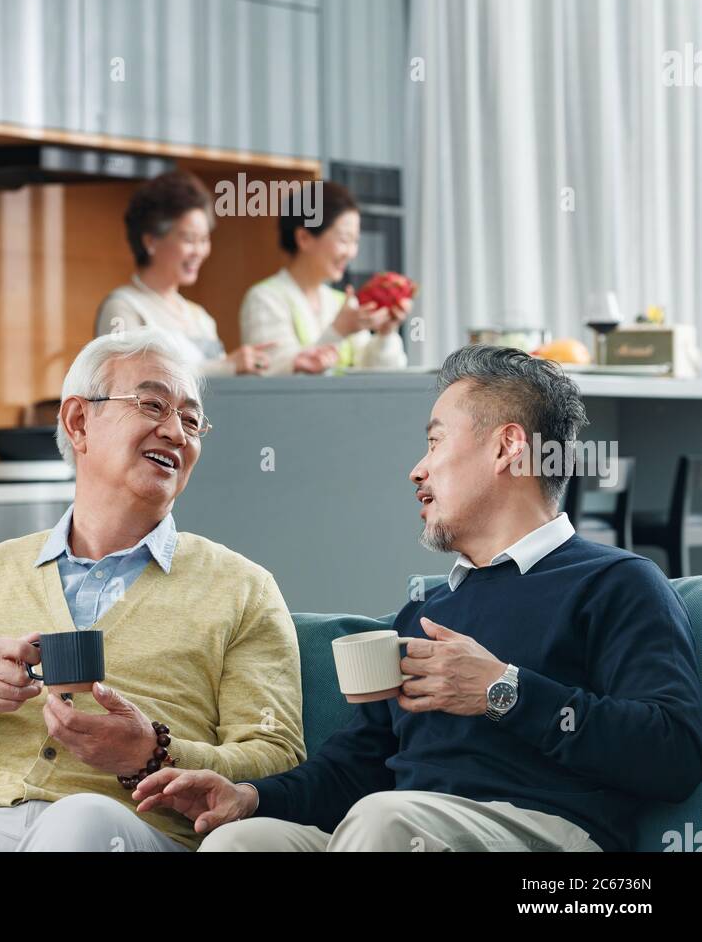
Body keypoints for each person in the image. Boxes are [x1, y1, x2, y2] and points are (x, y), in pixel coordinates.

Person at [129, 346, 702, 853]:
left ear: (507, 447)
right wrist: (250, 795)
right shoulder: (427, 610)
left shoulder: (618, 582)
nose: (417, 469)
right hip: (400, 828)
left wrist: (503, 690)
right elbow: (358, 765)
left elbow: (671, 753)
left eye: (435, 441)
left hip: (551, 838)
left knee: (389, 820)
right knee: (244, 841)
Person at [0, 328, 305, 852]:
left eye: (191, 420)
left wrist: (152, 753)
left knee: (77, 822)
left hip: (118, 832)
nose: (176, 432)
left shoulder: (243, 588)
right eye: (153, 405)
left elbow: (274, 759)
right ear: (79, 422)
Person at [95, 170, 273, 375]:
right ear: (150, 241)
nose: (199, 251)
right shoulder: (122, 308)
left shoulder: (200, 317)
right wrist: (228, 366)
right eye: (189, 239)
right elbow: (130, 380)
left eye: (204, 240)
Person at [238, 180, 411, 374]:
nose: (351, 252)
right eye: (344, 240)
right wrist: (338, 331)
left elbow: (376, 376)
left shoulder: (340, 302)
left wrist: (385, 333)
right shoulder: (265, 299)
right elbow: (274, 373)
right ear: (304, 238)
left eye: (355, 241)